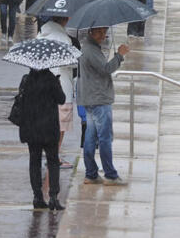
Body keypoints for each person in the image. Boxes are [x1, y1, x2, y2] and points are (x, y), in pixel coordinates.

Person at [78, 27, 130, 186]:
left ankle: (91, 174)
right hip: (99, 99)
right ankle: (110, 175)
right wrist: (119, 55)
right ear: (91, 32)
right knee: (104, 138)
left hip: (90, 99)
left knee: (90, 137)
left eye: (105, 32)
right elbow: (106, 69)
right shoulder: (91, 50)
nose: (103, 35)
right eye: (99, 32)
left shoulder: (88, 48)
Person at [16, 67, 66, 210]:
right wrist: (58, 84)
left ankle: (37, 196)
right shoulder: (51, 79)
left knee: (34, 161)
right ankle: (53, 197)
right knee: (53, 161)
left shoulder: (26, 80)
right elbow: (61, 99)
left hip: (31, 128)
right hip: (49, 129)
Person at [37, 15, 77, 169]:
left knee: (48, 123)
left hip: (43, 86)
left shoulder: (41, 35)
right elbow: (70, 62)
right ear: (66, 19)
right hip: (62, 86)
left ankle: (49, 154)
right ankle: (55, 156)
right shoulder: (63, 38)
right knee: (61, 125)